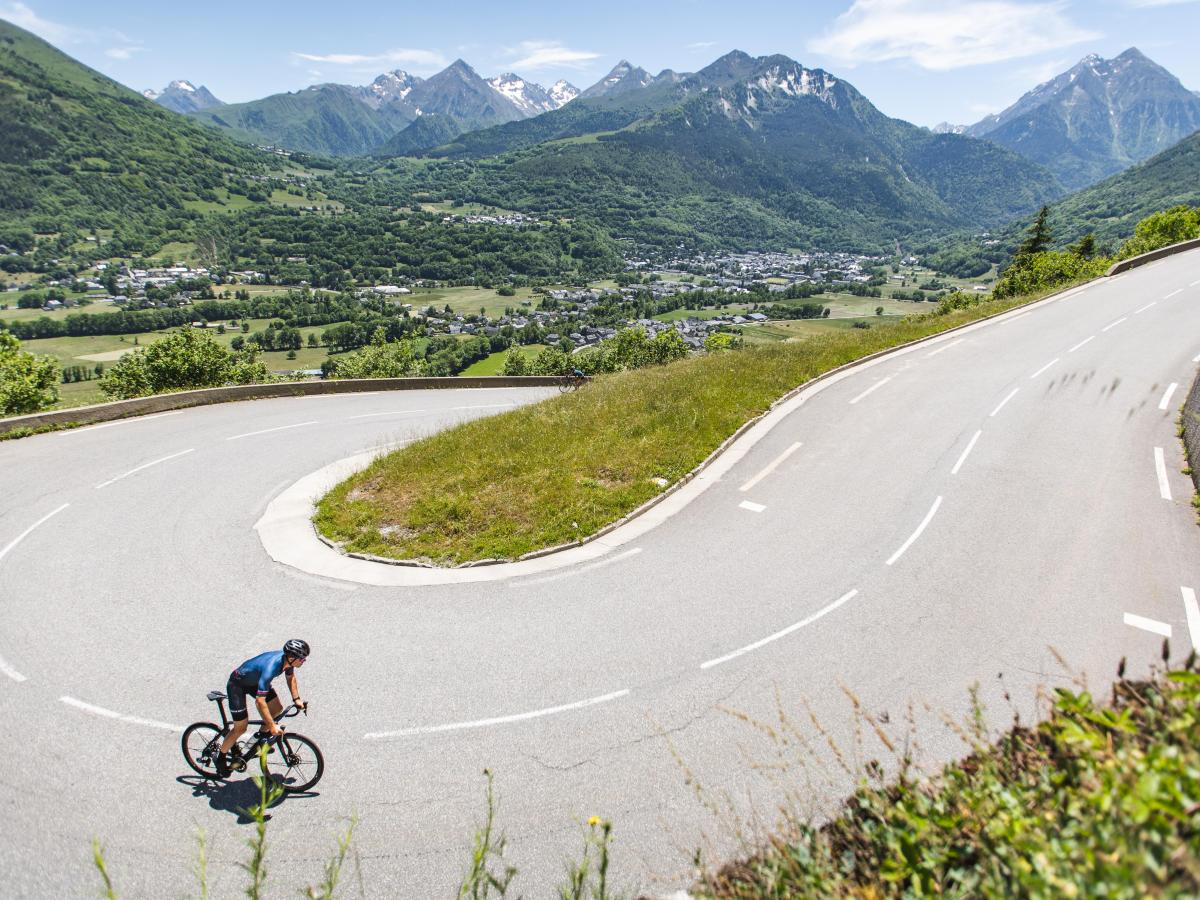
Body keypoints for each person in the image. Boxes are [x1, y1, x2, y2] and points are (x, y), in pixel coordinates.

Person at [214, 639, 309, 777]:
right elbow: (260, 702)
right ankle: (220, 757)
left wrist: (297, 699)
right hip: (237, 685)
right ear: (291, 657)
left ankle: (258, 741)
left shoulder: (288, 661)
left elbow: (291, 677)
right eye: (302, 659)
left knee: (277, 708)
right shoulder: (271, 668)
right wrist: (271, 726)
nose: (303, 661)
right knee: (240, 728)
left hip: (254, 681)